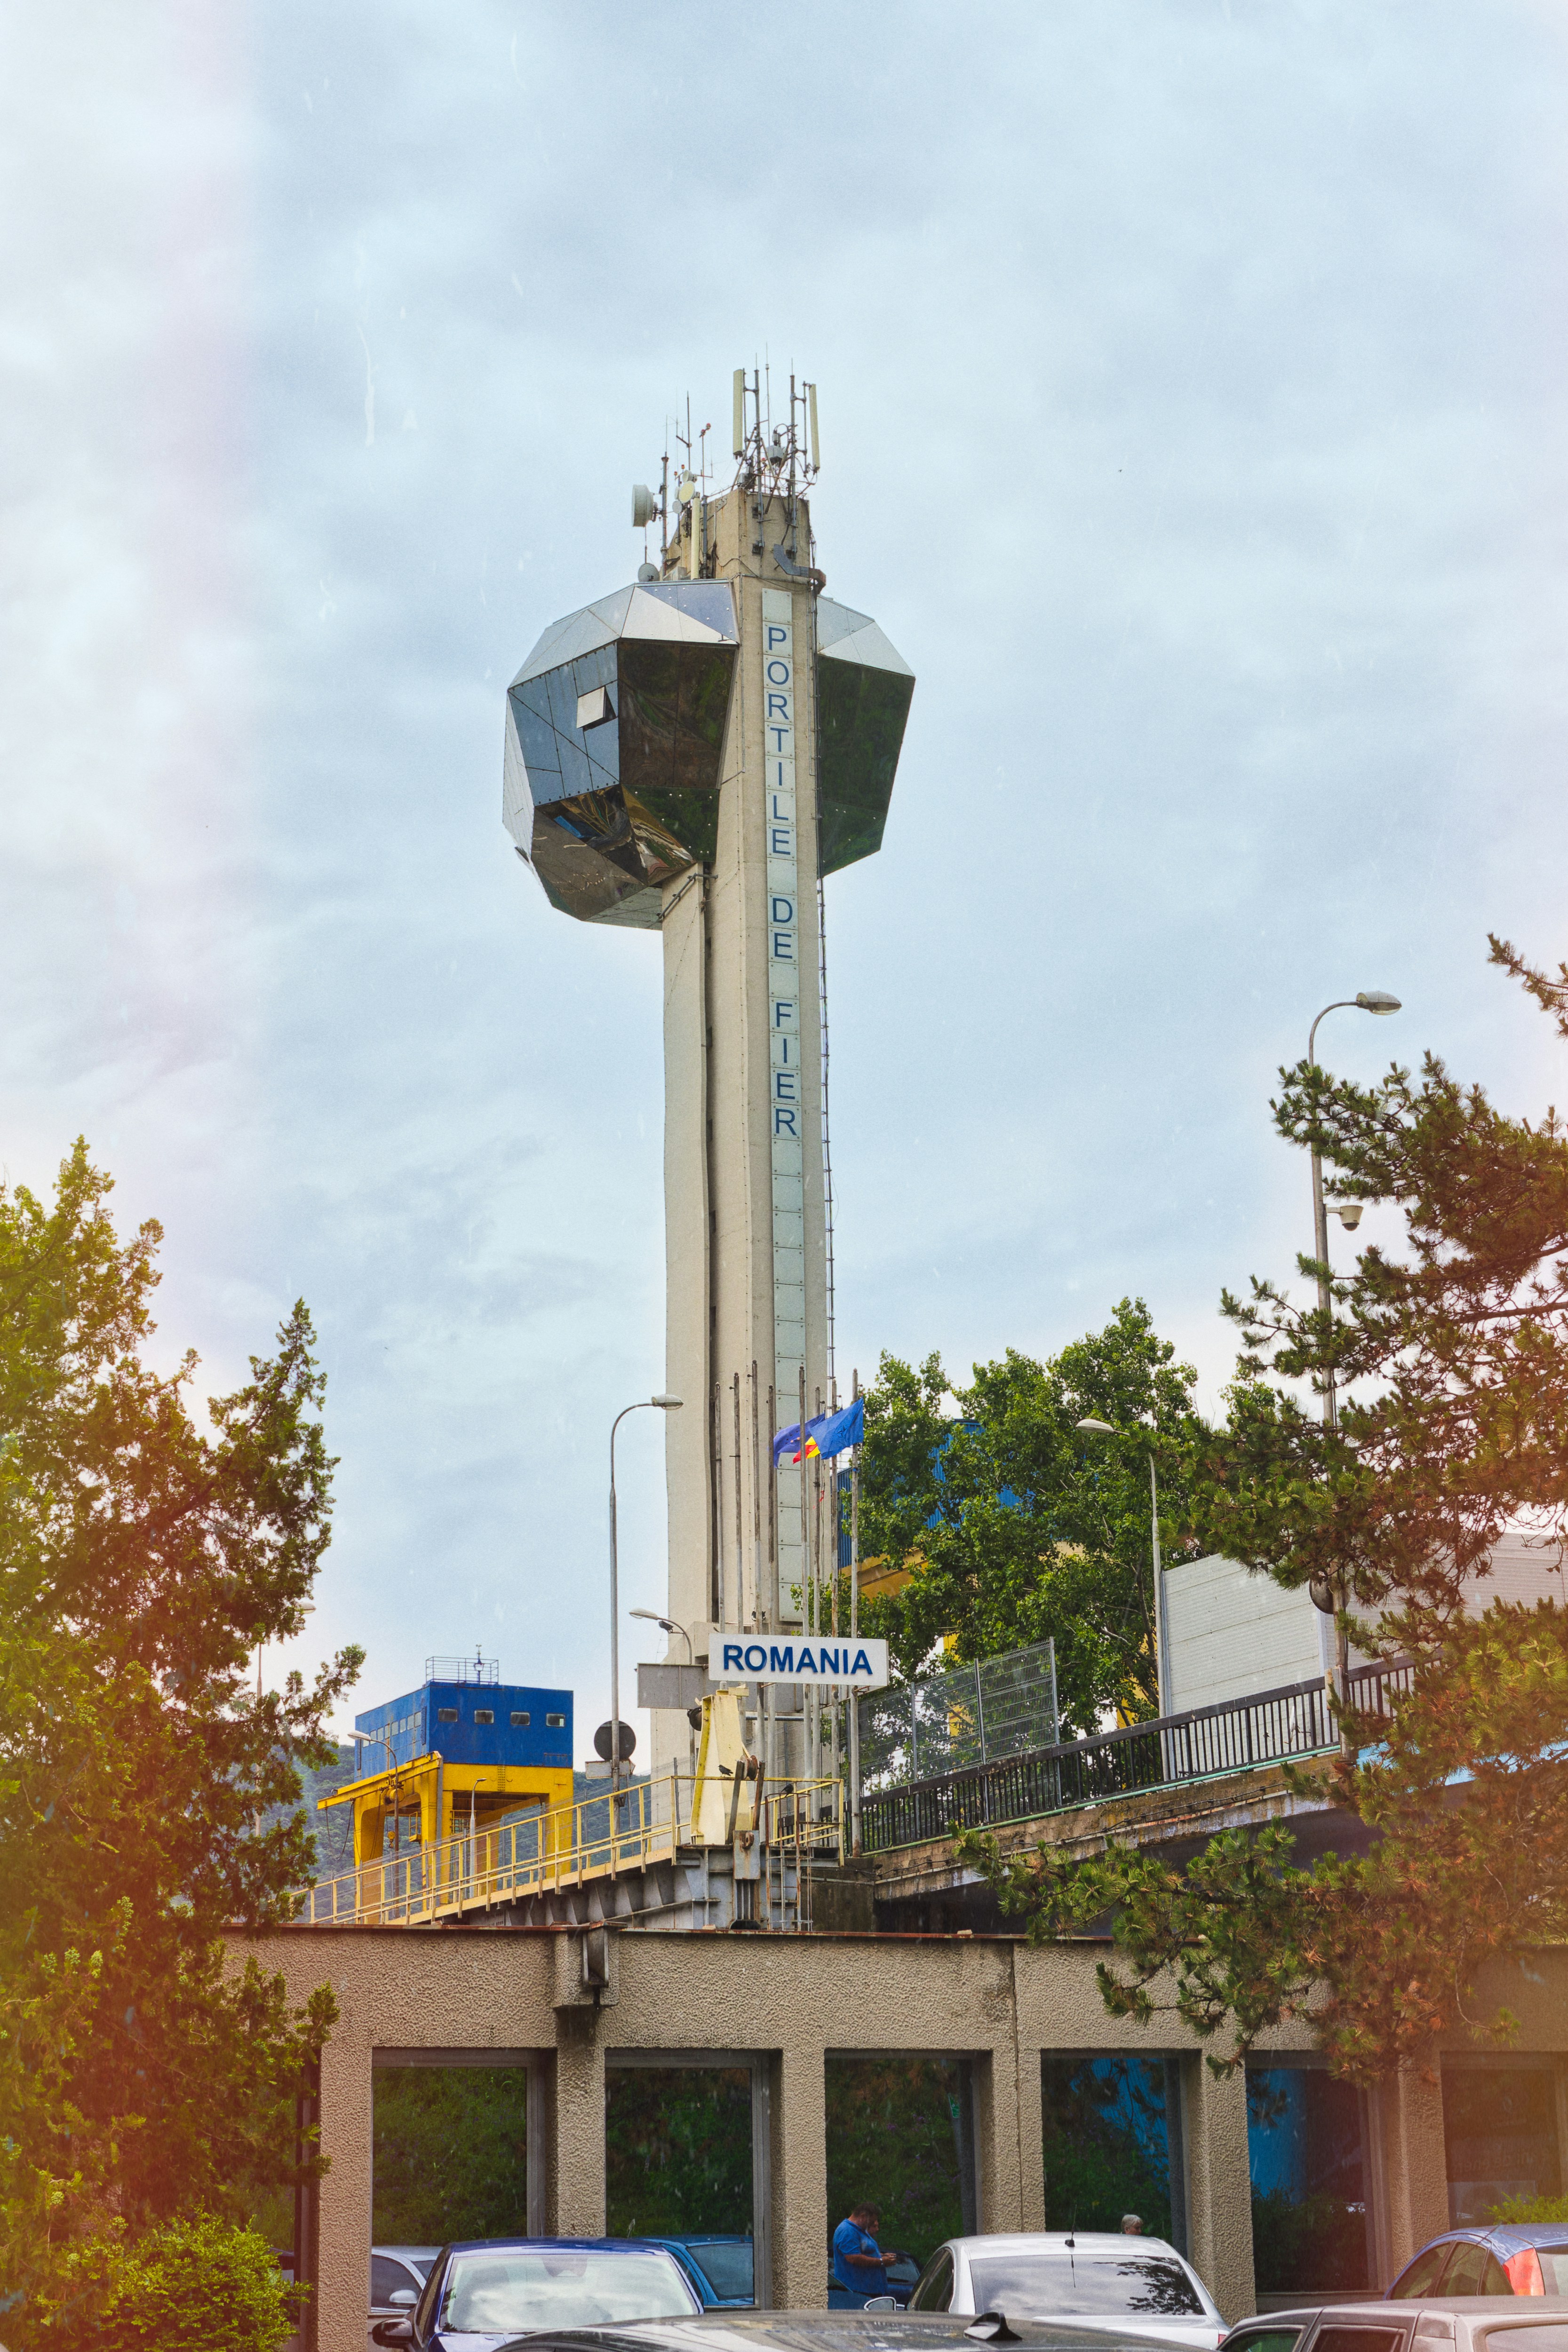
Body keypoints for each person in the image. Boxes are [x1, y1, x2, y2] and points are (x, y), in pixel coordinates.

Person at [832, 2202, 897, 2296]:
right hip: (858, 2292)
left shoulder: (859, 2230)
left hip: (870, 2290)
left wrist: (882, 2256)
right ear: (863, 2217)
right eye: (871, 2222)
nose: (871, 2225)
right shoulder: (848, 2231)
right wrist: (881, 2262)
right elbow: (853, 2258)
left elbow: (864, 2251)